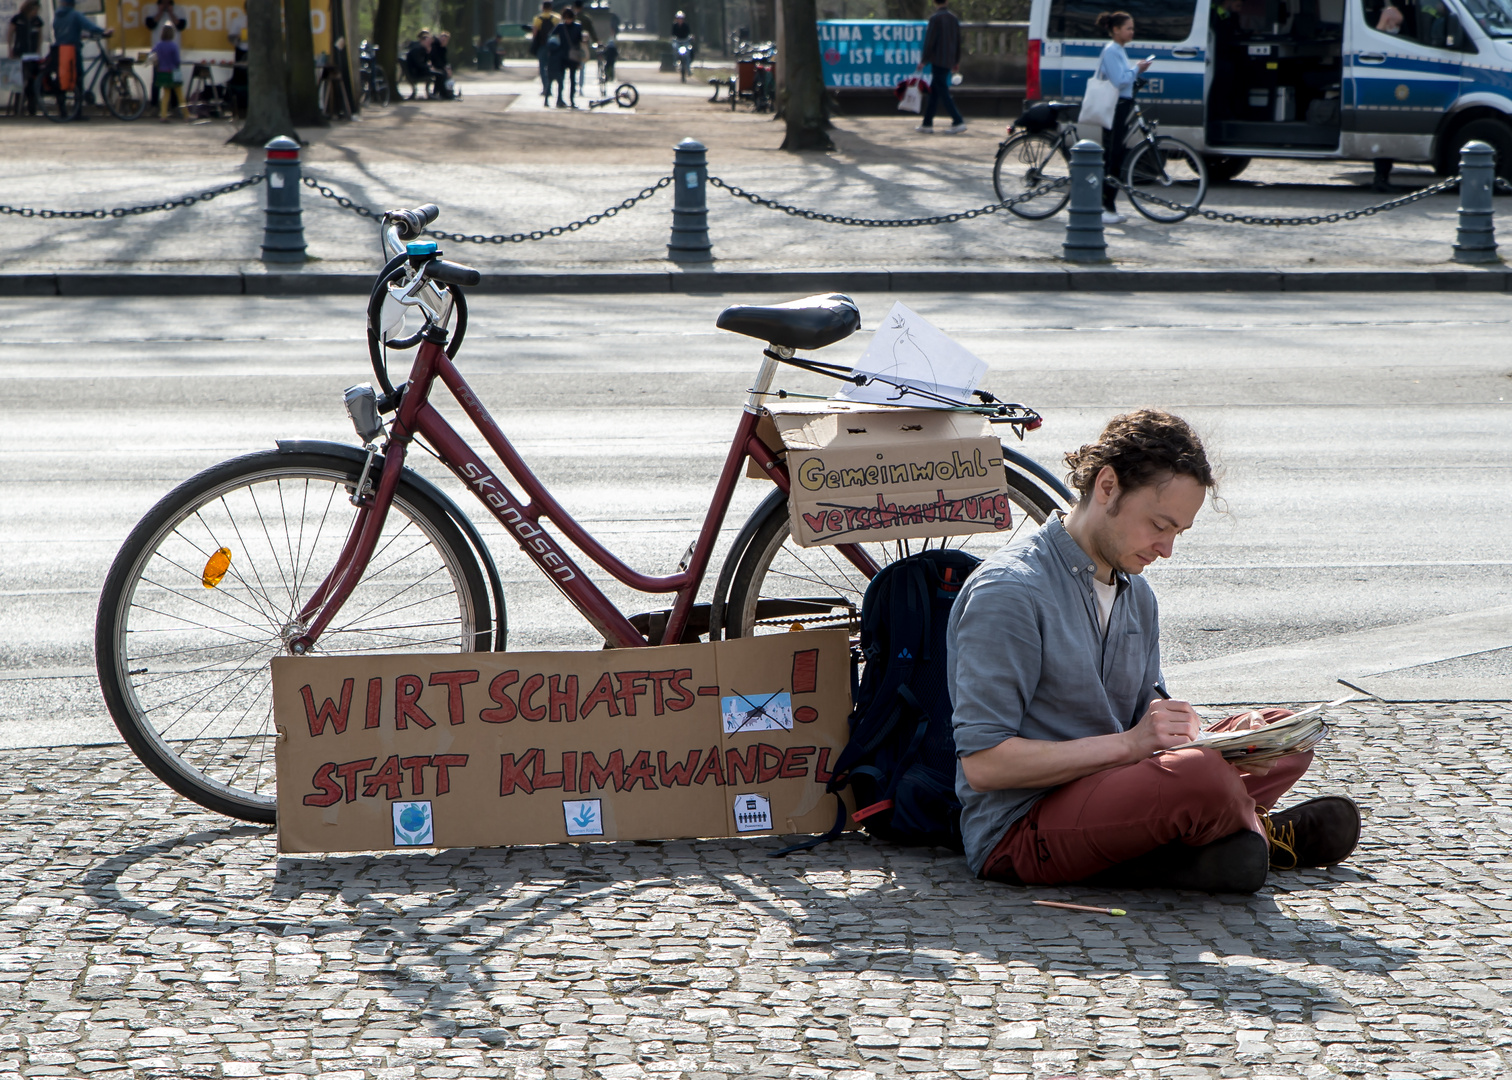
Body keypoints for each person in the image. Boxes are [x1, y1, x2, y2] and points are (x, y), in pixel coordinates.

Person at [948, 410, 1362, 894]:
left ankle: (1226, 835)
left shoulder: (1136, 593)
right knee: (1203, 779)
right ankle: (1254, 834)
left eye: (1178, 533)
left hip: (1115, 788)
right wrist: (1135, 746)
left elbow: (1148, 721)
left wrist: (1220, 739)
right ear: (1107, 486)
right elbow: (985, 766)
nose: (1165, 549)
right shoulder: (1011, 592)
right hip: (1023, 824)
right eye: (1158, 525)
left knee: (1284, 733)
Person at [1091, 11, 1153, 225]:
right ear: (1116, 30)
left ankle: (1107, 205)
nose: (1132, 32)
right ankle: (1105, 207)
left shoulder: (1118, 50)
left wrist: (1136, 71)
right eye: (1128, 28)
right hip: (1115, 105)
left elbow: (1123, 78)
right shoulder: (1111, 51)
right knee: (1113, 155)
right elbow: (1119, 81)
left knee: (1115, 154)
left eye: (1132, 28)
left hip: (1120, 103)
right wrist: (1137, 69)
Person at [914, 0, 966, 135]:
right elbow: (957, 41)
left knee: (942, 91)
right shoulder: (953, 18)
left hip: (938, 60)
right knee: (934, 92)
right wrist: (956, 60)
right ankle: (927, 123)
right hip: (948, 60)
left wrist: (924, 60)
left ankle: (958, 121)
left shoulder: (935, 18)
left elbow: (930, 41)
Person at [52, 0, 110, 101]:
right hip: (73, 50)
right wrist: (104, 31)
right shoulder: (75, 14)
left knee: (63, 77)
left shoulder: (57, 16)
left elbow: (59, 32)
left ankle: (62, 110)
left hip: (60, 51)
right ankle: (78, 110)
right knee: (78, 77)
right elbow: (89, 26)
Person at [143, 0, 187, 107]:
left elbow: (181, 26)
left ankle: (174, 105)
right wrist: (160, 11)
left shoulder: (179, 10)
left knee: (174, 81)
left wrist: (171, 13)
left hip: (173, 51)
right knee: (157, 80)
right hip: (158, 52)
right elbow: (150, 25)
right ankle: (154, 104)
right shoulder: (152, 9)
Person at [150, 22, 185, 121]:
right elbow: (177, 60)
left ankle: (163, 115)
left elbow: (152, 55)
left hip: (163, 72)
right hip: (174, 71)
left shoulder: (159, 45)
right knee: (180, 94)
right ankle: (185, 114)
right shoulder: (174, 46)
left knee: (165, 95)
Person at [553, 7, 584, 107]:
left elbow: (552, 37)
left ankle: (569, 99)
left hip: (568, 55)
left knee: (571, 79)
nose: (568, 20)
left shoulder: (561, 27)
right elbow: (580, 42)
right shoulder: (576, 27)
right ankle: (561, 99)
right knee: (563, 79)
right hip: (567, 56)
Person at [530, 0, 561, 101]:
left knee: (542, 67)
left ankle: (546, 88)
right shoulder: (556, 18)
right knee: (553, 67)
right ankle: (555, 87)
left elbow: (535, 34)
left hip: (542, 46)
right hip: (554, 47)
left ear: (543, 8)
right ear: (551, 8)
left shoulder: (538, 18)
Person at [568, 1, 597, 96]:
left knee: (572, 66)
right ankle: (580, 86)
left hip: (573, 46)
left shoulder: (572, 18)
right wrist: (596, 41)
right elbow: (592, 31)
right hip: (583, 45)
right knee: (582, 66)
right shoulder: (586, 18)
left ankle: (573, 86)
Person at [404, 30, 434, 99]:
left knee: (438, 72)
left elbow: (424, 61)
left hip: (415, 71)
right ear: (422, 40)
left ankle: (437, 93)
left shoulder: (419, 48)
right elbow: (419, 64)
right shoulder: (417, 49)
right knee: (438, 73)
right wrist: (429, 67)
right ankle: (438, 93)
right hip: (415, 73)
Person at [429, 30, 454, 99]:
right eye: (442, 39)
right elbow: (436, 60)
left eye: (445, 40)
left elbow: (444, 61)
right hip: (433, 66)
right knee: (442, 74)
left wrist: (448, 68)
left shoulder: (444, 49)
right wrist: (445, 68)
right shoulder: (435, 46)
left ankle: (441, 92)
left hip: (438, 66)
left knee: (444, 73)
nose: (443, 41)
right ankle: (442, 93)